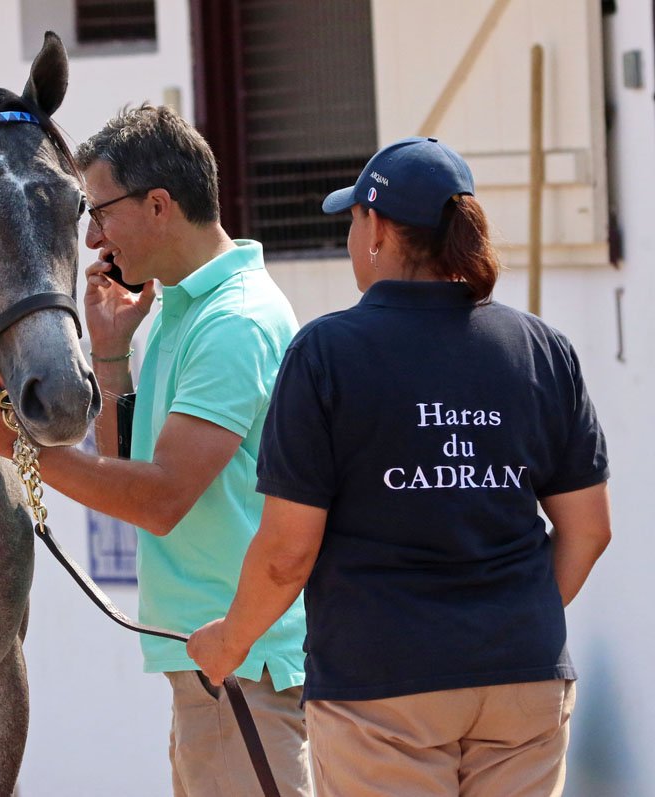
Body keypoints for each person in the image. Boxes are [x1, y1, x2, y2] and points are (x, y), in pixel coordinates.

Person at [187, 136, 612, 797]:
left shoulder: (325, 354)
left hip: (381, 685)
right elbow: (588, 529)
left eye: (353, 219)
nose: (352, 237)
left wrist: (230, 641)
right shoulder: (541, 349)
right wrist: (506, 617)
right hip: (524, 677)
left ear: (378, 228)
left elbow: (286, 553)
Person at [0, 104, 312, 797]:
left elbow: (161, 500)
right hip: (215, 667)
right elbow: (131, 475)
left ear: (159, 205)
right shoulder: (180, 309)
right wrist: (109, 353)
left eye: (98, 212)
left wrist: (12, 445)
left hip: (240, 666)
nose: (94, 236)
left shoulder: (234, 322)